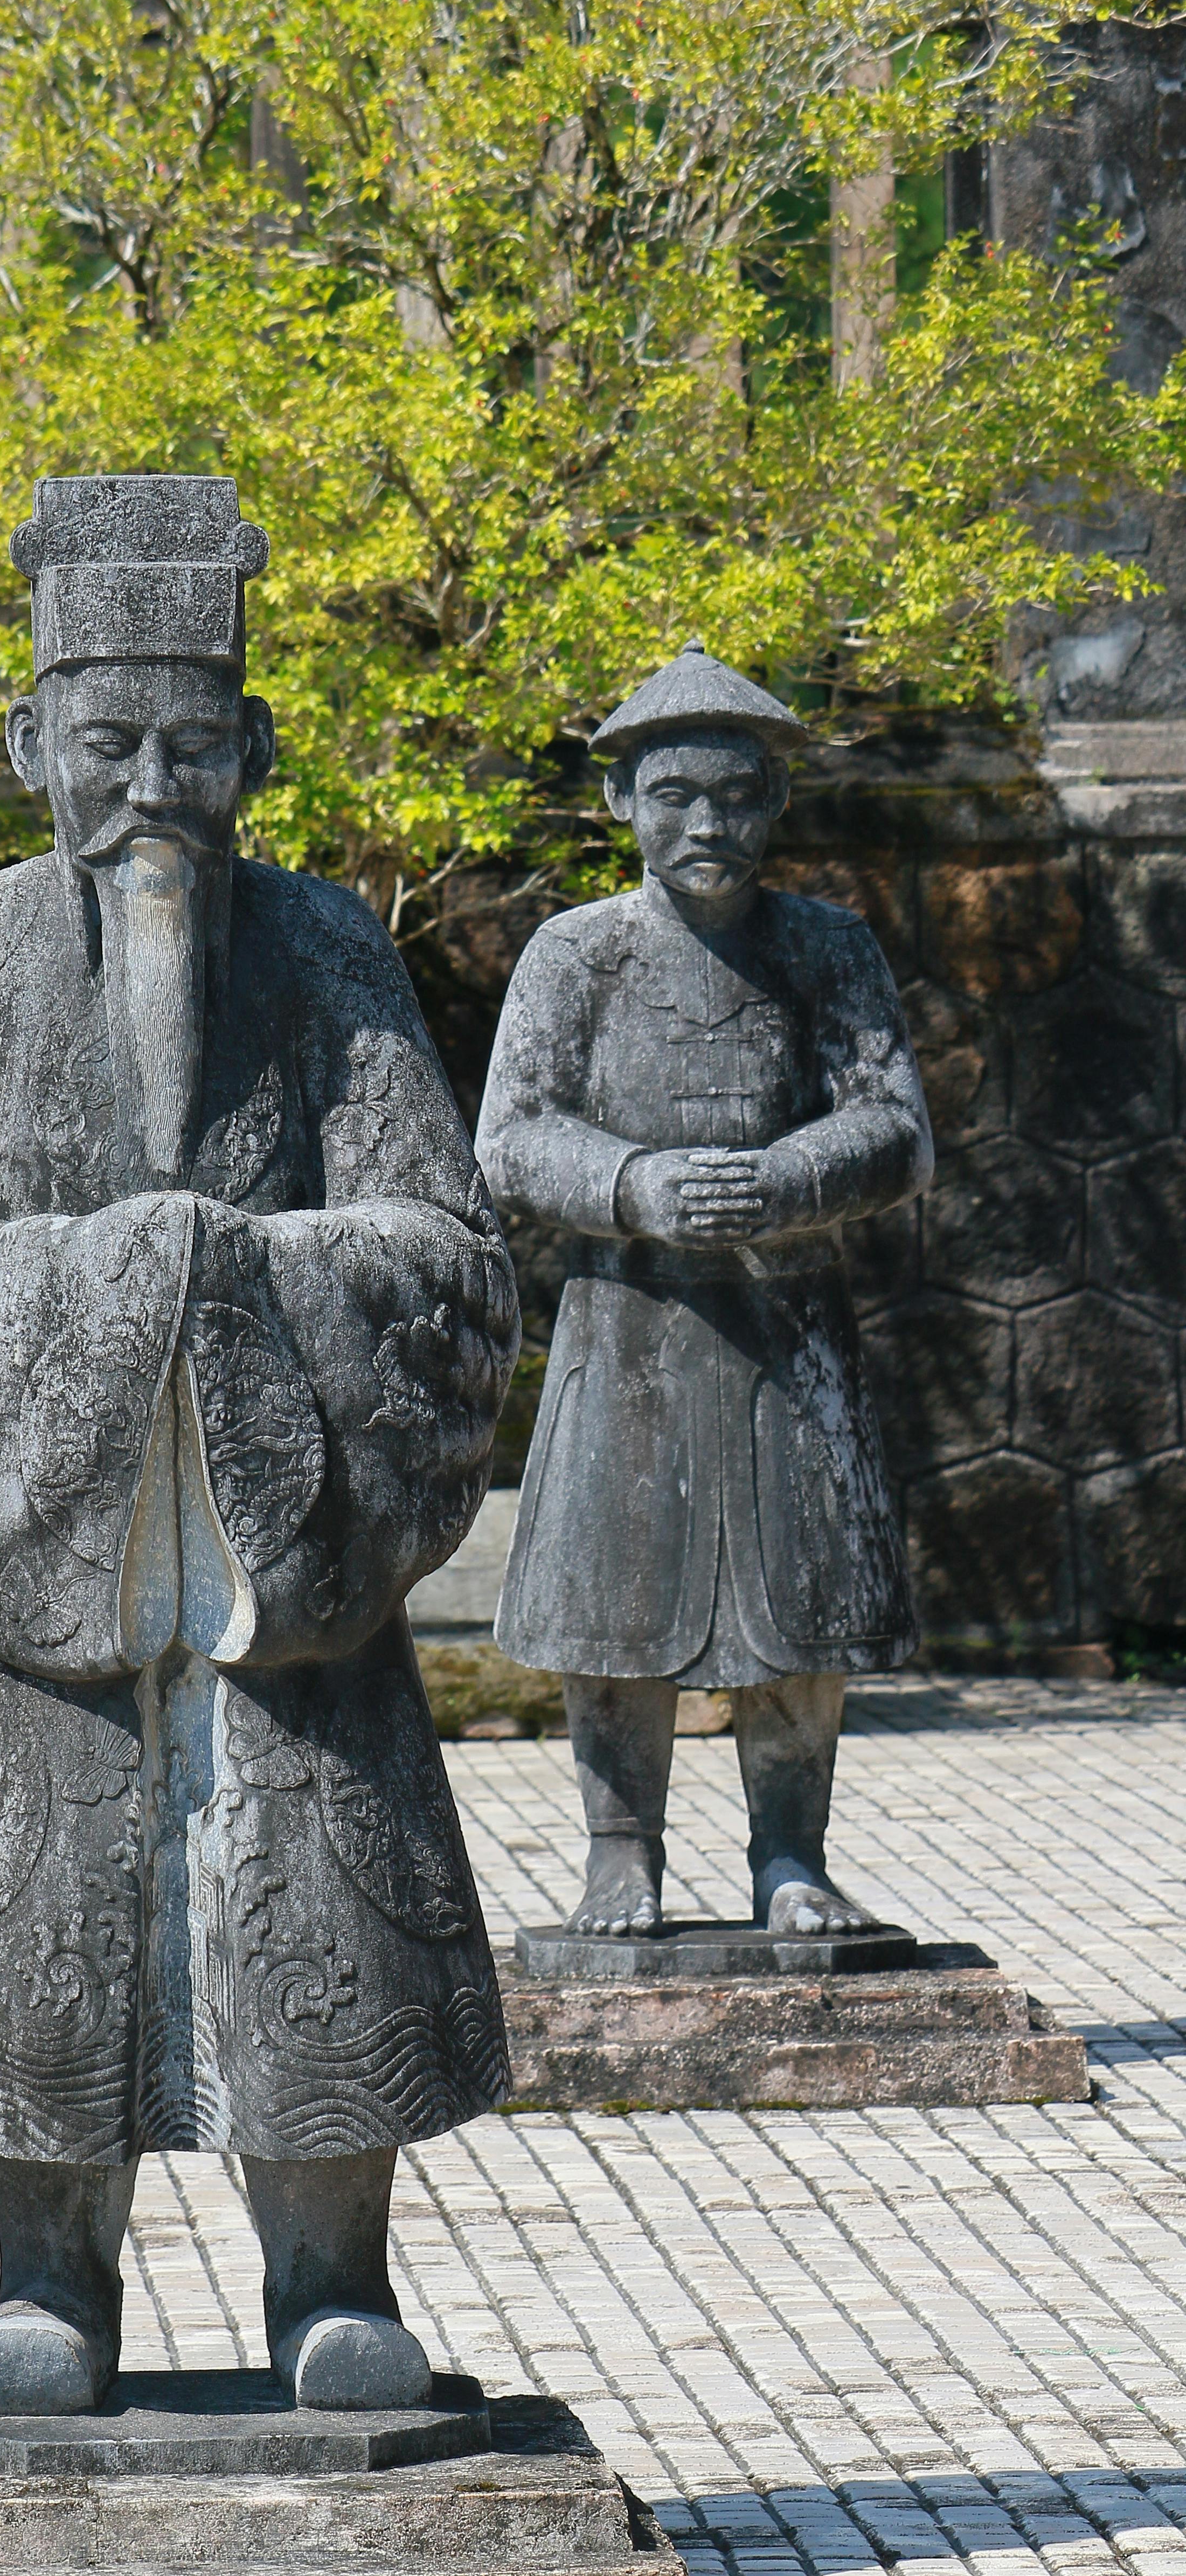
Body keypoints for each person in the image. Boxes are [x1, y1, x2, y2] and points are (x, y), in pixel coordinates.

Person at [0, 475, 519, 2415]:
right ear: (30, 744)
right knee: (41, 1909)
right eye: (105, 747)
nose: (150, 789)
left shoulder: (329, 955)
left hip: (285, 1564)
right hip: (50, 1560)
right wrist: (109, 1289)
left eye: (196, 747)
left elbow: (442, 1251)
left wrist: (237, 1287)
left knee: (316, 1900)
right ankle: (48, 2282)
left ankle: (328, 2279)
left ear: (255, 751)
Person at [476, 640, 933, 1939]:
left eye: (737, 794)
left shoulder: (826, 949)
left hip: (789, 1326)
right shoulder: (578, 956)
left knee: (801, 1603)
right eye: (675, 792)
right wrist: (634, 1184)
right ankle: (621, 1852)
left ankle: (791, 1856)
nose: (708, 823)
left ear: (775, 803)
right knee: (616, 1603)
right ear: (621, 801)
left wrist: (788, 1179)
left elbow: (896, 1125)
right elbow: (510, 1135)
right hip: (627, 1322)